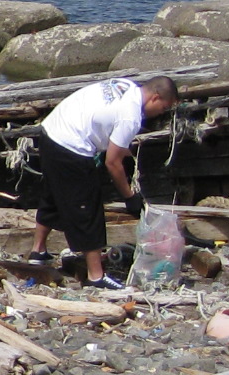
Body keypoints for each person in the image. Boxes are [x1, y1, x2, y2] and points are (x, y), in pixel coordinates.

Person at [31, 74, 177, 285]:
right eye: (163, 108)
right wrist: (130, 197)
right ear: (155, 97)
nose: (161, 113)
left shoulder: (125, 86)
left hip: (51, 132)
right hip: (71, 146)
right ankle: (96, 276)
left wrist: (124, 152)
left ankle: (38, 251)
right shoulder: (131, 117)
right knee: (88, 209)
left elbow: (111, 133)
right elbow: (112, 163)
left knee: (53, 194)